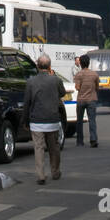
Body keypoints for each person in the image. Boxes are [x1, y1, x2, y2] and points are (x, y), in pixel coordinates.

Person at [23, 54, 66, 184]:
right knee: (54, 147)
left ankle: (41, 175)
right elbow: (63, 93)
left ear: (37, 66)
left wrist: (25, 121)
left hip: (36, 121)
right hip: (52, 119)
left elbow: (27, 103)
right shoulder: (56, 80)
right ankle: (55, 171)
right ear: (49, 66)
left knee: (38, 148)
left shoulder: (30, 82)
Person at [74, 53, 100, 148]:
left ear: (80, 64)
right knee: (92, 120)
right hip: (92, 99)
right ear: (89, 63)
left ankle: (80, 141)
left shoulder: (78, 74)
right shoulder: (94, 74)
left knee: (79, 121)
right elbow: (97, 87)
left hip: (81, 100)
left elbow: (77, 87)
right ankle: (93, 139)